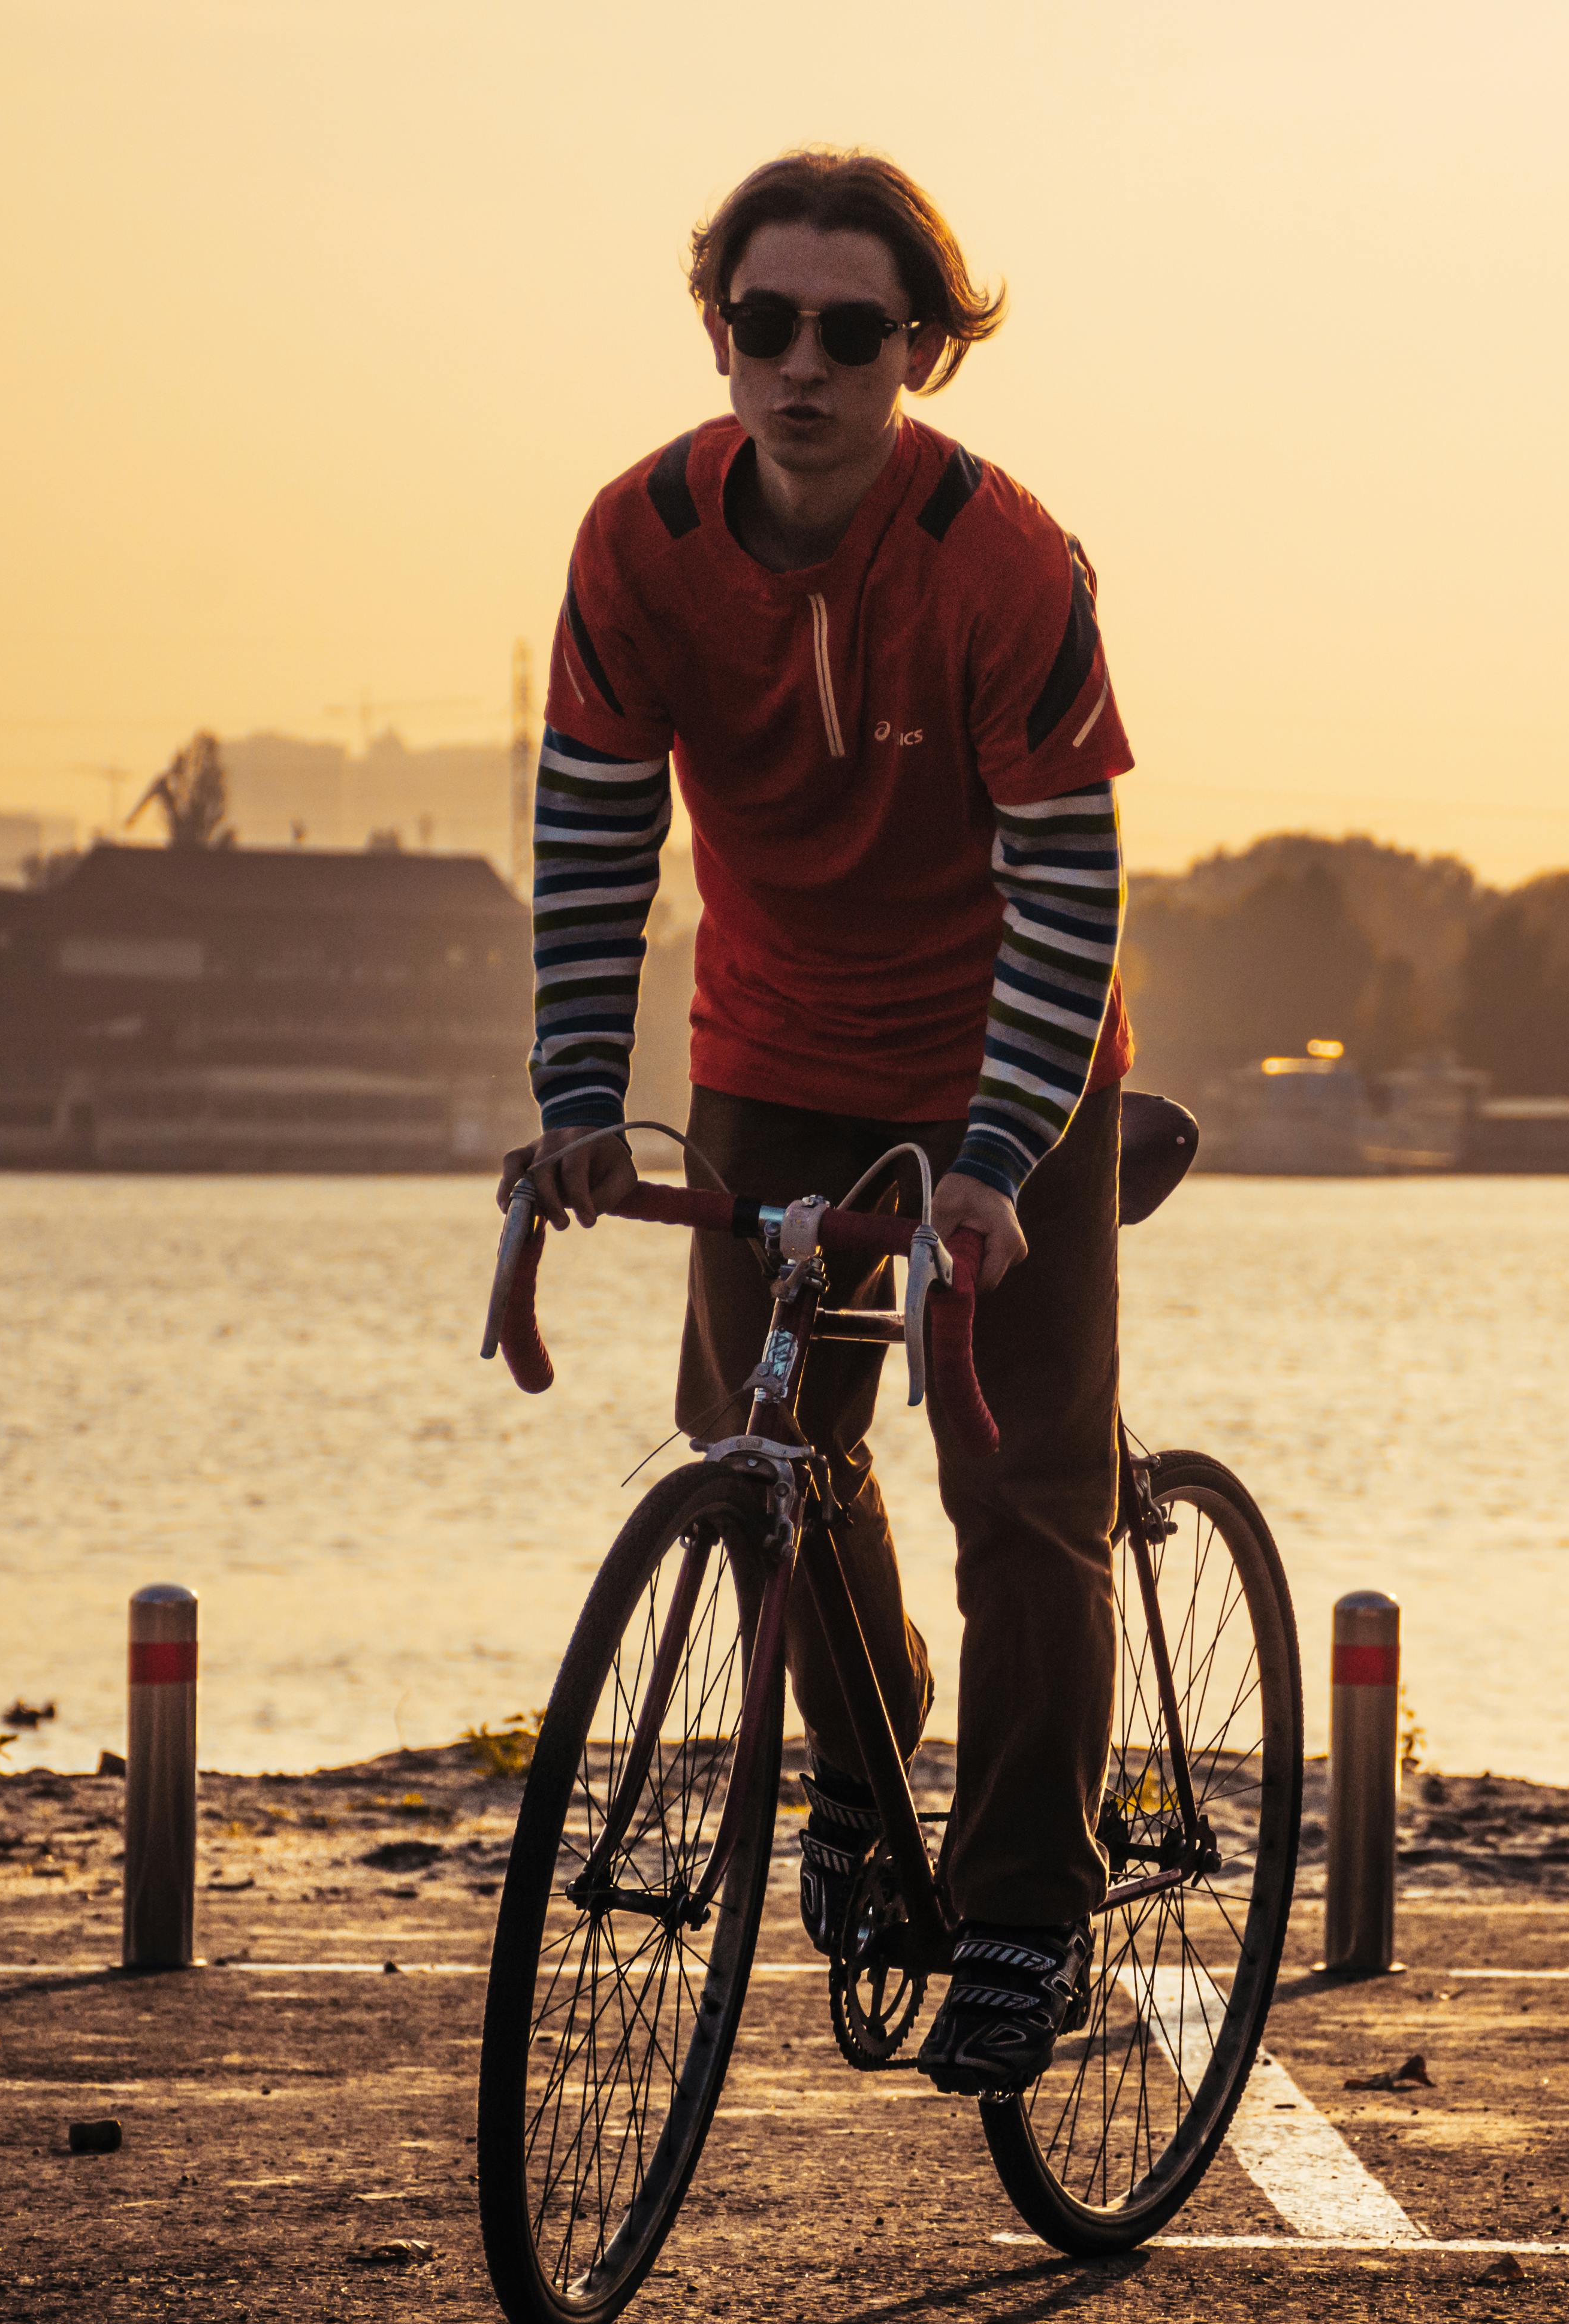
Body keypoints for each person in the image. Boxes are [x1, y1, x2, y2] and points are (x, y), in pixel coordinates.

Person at [497, 149, 1130, 2099]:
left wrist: (999, 1166)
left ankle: (1028, 1907)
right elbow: (598, 838)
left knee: (1025, 1498)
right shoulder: (639, 542)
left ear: (923, 350)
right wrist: (581, 1101)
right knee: (757, 1443)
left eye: (853, 332)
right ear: (719, 332)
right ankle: (866, 1761)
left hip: (1006, 1061)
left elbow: (1076, 886)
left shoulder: (1007, 566)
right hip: (771, 1041)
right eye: (763, 324)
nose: (803, 367)